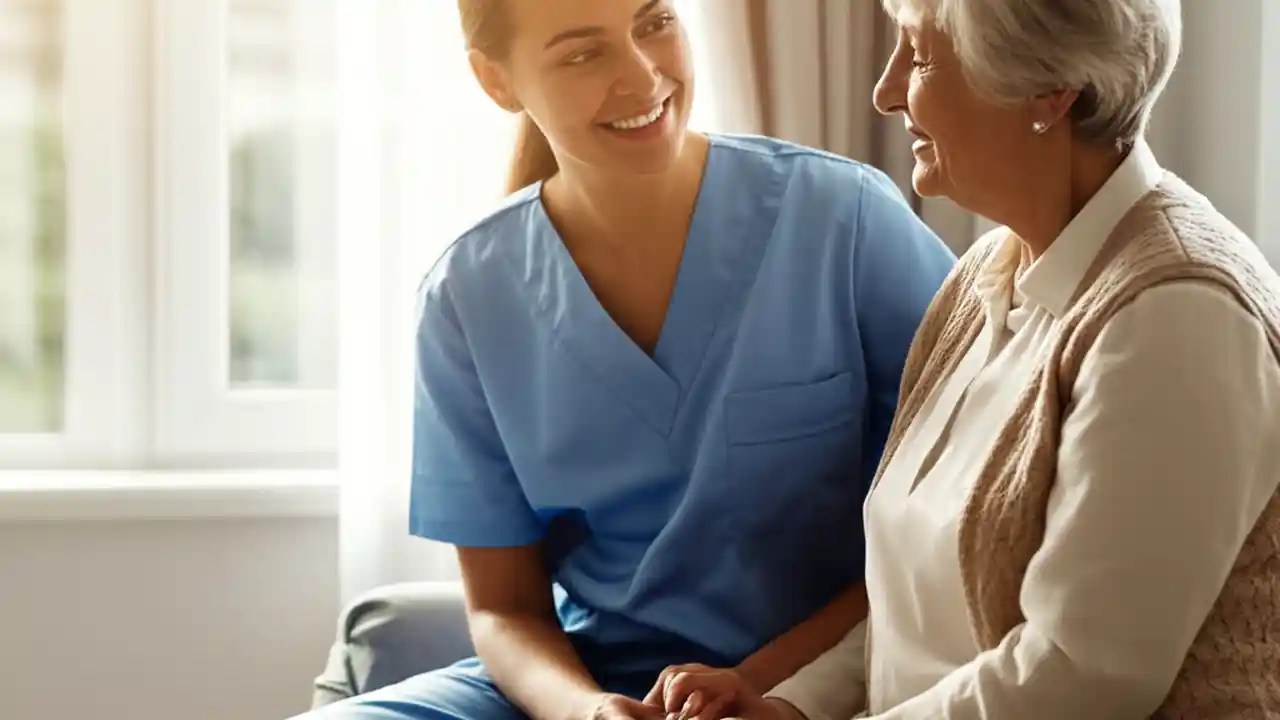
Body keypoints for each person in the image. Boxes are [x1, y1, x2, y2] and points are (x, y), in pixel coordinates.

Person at [303, 0, 954, 718]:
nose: (642, 75)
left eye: (655, 24)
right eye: (584, 54)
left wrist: (757, 684)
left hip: (827, 676)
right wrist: (587, 711)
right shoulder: (468, 295)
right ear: (498, 82)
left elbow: (958, 513)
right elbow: (503, 611)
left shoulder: (844, 220)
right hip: (594, 685)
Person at [653, 0, 1280, 717]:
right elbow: (920, 613)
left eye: (919, 58)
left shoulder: (1178, 317)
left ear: (1049, 91)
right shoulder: (992, 267)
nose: (886, 92)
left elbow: (1078, 676)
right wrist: (789, 705)